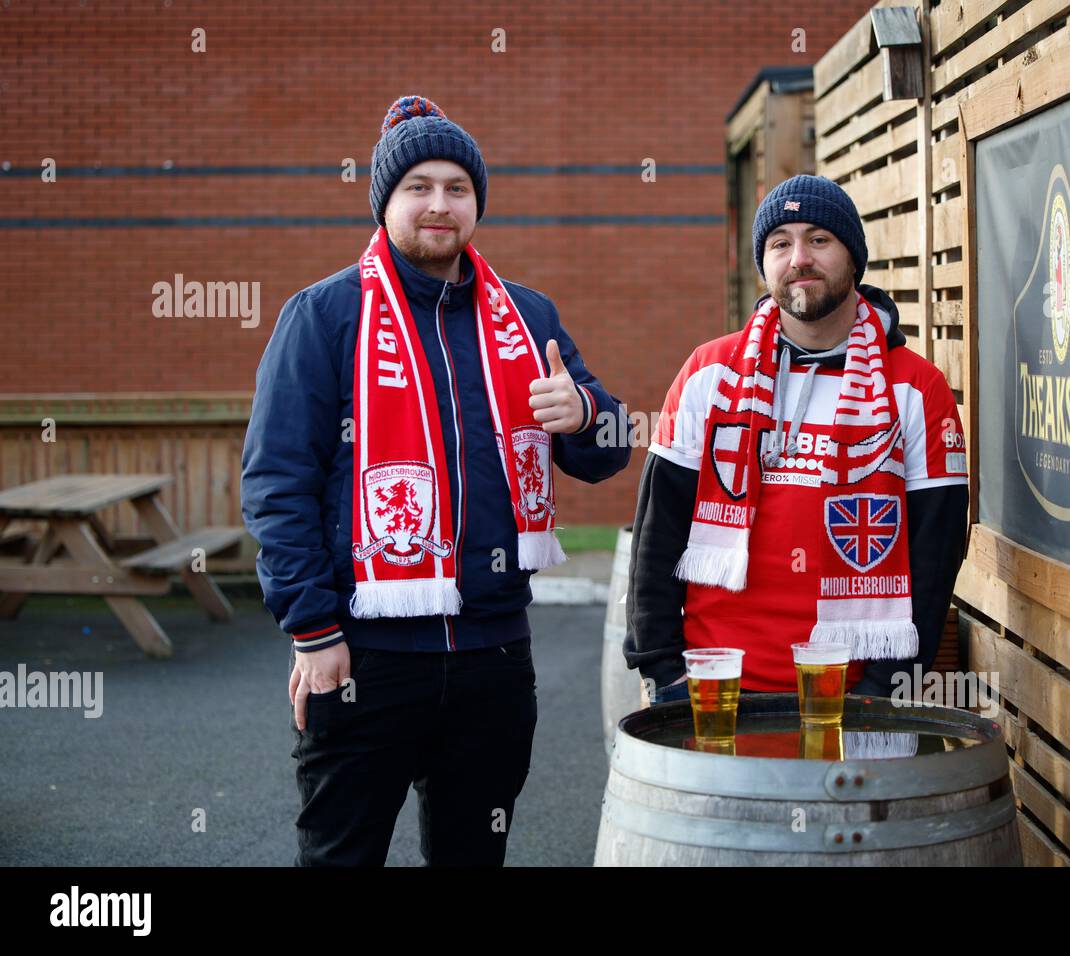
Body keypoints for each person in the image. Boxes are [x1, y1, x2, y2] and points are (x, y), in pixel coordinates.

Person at [240, 95, 631, 866]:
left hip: (494, 653)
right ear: (386, 201)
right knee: (339, 857)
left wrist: (584, 412)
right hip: (362, 655)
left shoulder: (527, 316)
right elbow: (276, 484)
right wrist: (312, 631)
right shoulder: (324, 317)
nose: (439, 204)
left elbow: (608, 452)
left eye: (457, 187)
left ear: (476, 202)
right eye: (418, 186)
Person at [625, 174, 968, 704]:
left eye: (819, 239)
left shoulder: (916, 388)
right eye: (780, 243)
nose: (799, 258)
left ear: (854, 257)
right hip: (712, 684)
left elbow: (935, 554)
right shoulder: (709, 373)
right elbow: (658, 531)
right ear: (764, 265)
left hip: (852, 695)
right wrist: (662, 671)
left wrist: (883, 690)